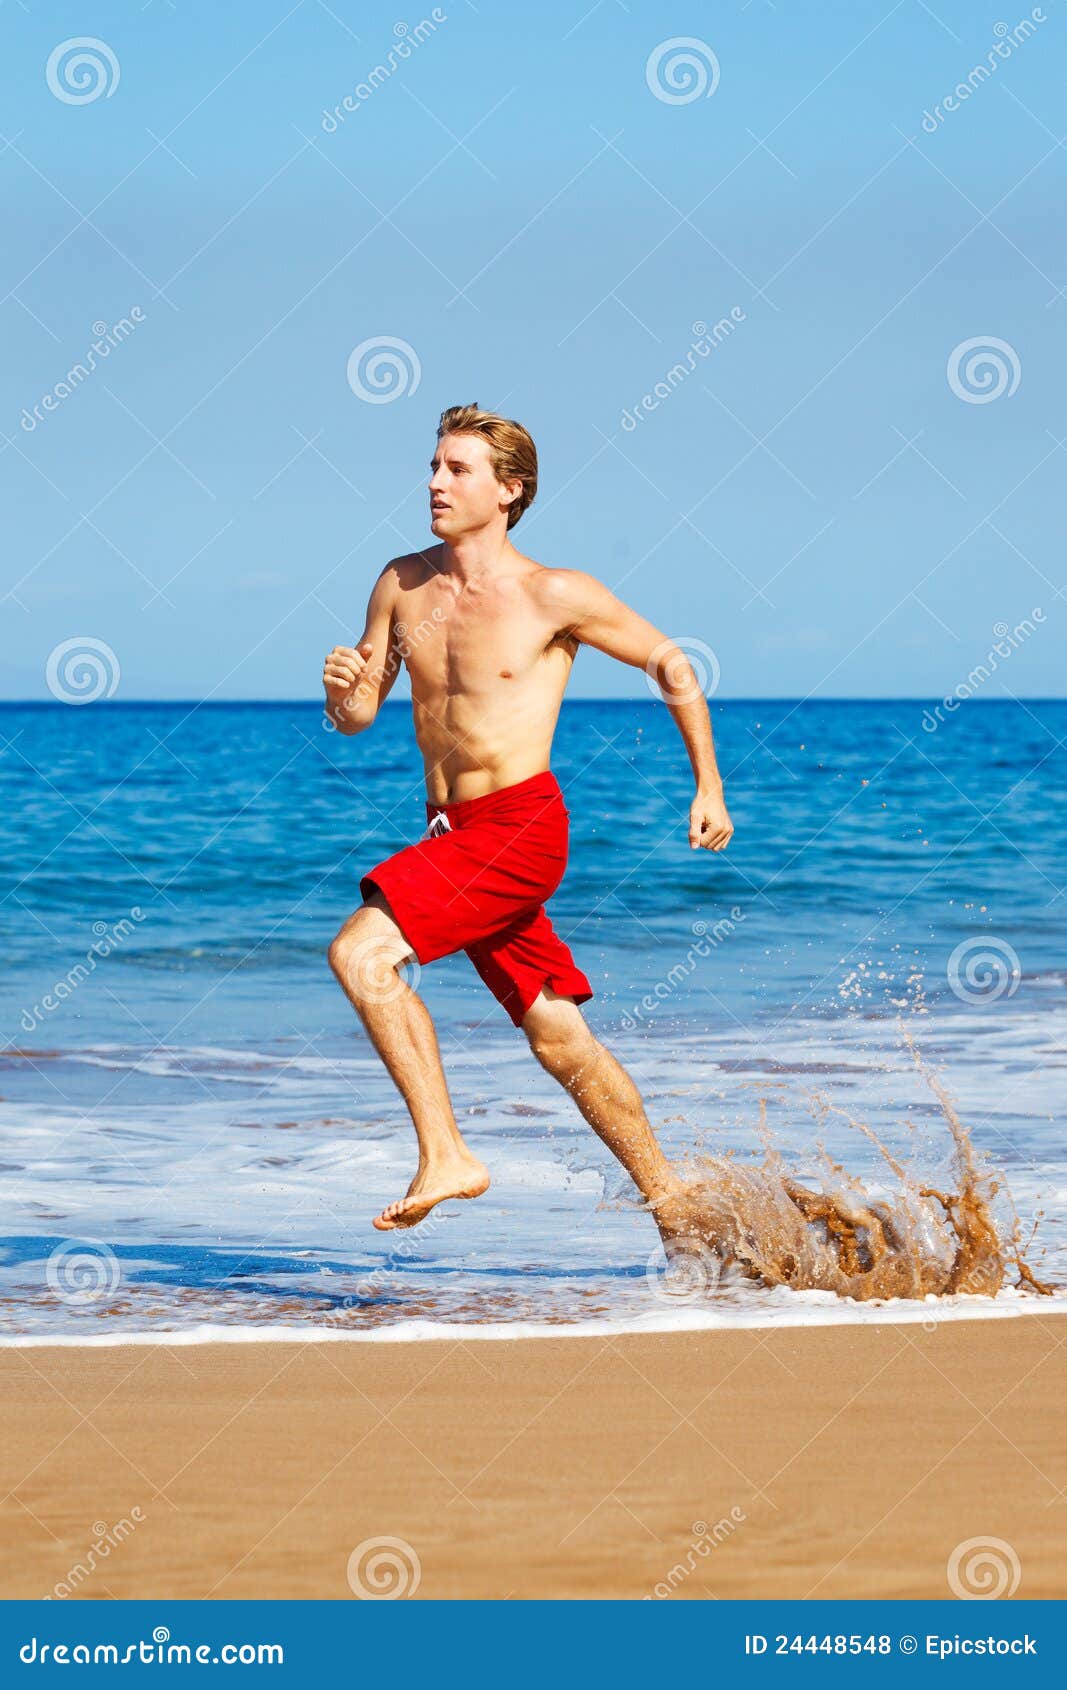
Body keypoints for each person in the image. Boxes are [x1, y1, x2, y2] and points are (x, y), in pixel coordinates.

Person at [325, 403, 733, 1243]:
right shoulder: (401, 583)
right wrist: (342, 694)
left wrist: (708, 786)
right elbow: (362, 712)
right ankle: (678, 1208)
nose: (435, 482)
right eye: (433, 466)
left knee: (360, 953)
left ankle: (445, 1153)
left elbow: (671, 662)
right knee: (557, 1034)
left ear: (509, 490)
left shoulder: (554, 593)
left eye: (458, 469)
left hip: (517, 827)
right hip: (449, 833)